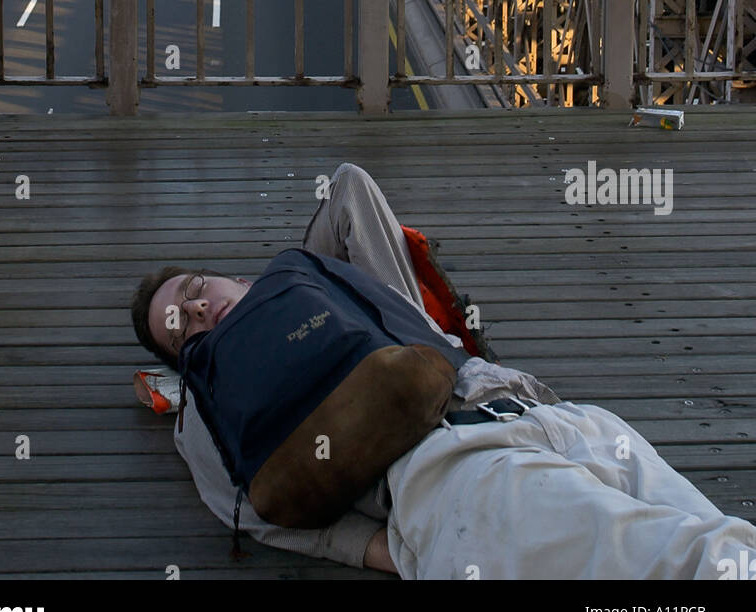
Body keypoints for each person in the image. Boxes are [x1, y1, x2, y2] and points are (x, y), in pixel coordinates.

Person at [131, 164, 756, 580]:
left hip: (558, 419)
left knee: (724, 545)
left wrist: (286, 278)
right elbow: (246, 509)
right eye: (180, 327)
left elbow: (348, 189)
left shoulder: (318, 290)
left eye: (193, 288)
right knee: (697, 567)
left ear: (233, 278)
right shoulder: (209, 403)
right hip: (449, 477)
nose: (195, 308)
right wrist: (385, 551)